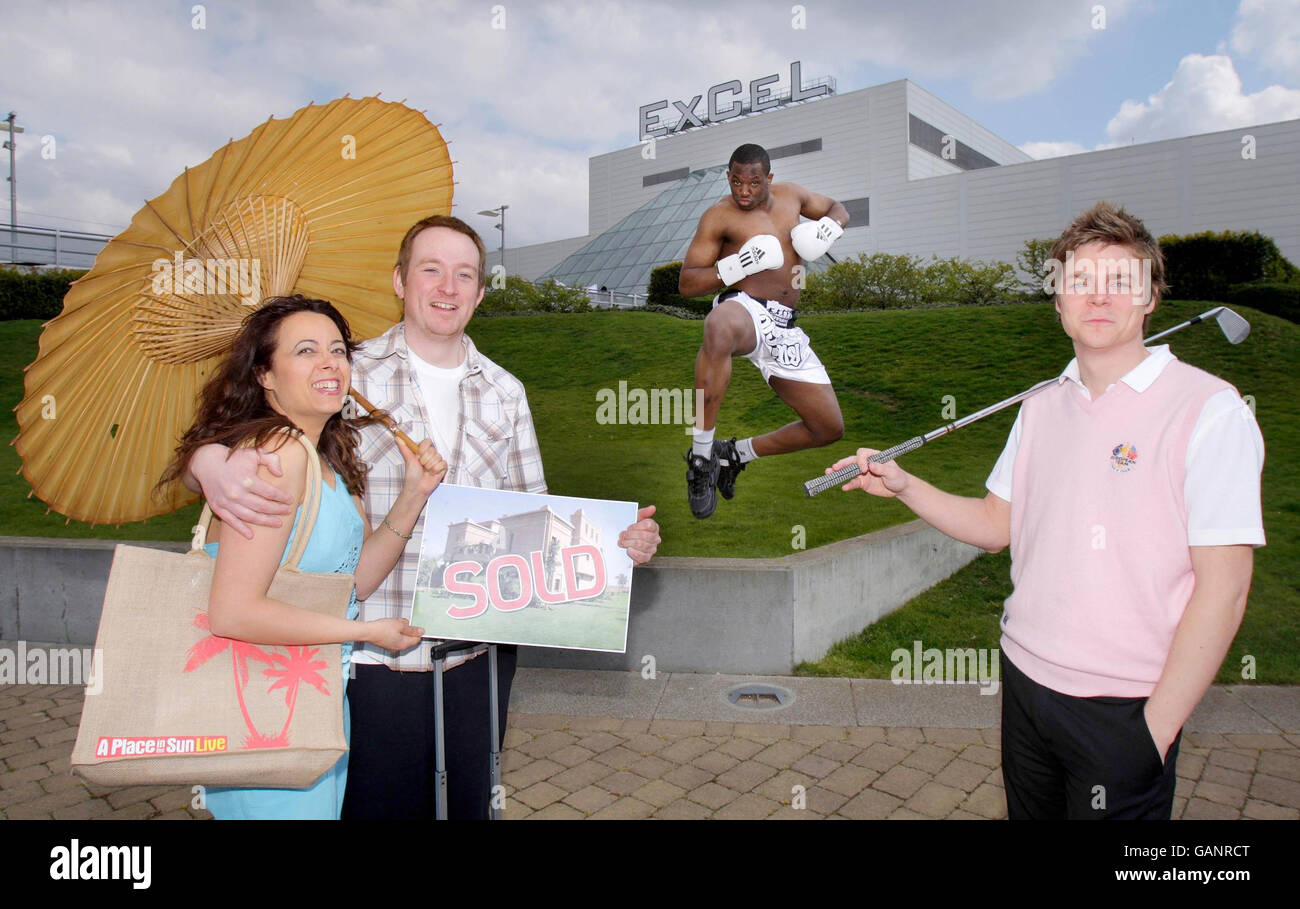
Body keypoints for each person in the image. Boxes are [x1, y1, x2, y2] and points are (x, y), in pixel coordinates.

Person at [184, 215, 662, 820]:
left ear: (481, 292)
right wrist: (209, 463)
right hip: (370, 663)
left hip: (475, 659)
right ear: (399, 280)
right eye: (430, 269)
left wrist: (616, 548)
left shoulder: (505, 391)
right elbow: (249, 430)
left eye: (464, 274)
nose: (447, 286)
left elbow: (537, 518)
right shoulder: (346, 374)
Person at [830, 201, 1265, 819]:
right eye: (1079, 281)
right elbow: (993, 526)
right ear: (1057, 299)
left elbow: (1226, 589)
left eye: (1121, 282)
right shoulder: (1041, 406)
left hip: (1126, 708)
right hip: (1027, 685)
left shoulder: (1210, 409)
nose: (1098, 297)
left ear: (1150, 299)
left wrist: (1154, 733)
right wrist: (904, 485)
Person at [159, 295, 447, 819]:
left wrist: (414, 494)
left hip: (310, 698)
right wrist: (366, 633)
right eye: (306, 351)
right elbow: (233, 612)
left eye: (337, 350)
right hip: (262, 706)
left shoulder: (328, 461)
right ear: (266, 375)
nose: (330, 363)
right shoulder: (275, 457)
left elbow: (353, 583)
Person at [678, 142, 850, 518]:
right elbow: (688, 283)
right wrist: (736, 266)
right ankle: (702, 456)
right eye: (736, 181)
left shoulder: (794, 195)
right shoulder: (718, 216)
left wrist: (829, 229)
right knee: (719, 326)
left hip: (785, 328)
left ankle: (733, 454)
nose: (743, 191)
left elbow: (839, 208)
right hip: (745, 310)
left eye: (753, 183)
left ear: (769, 179)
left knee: (827, 428)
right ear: (728, 177)